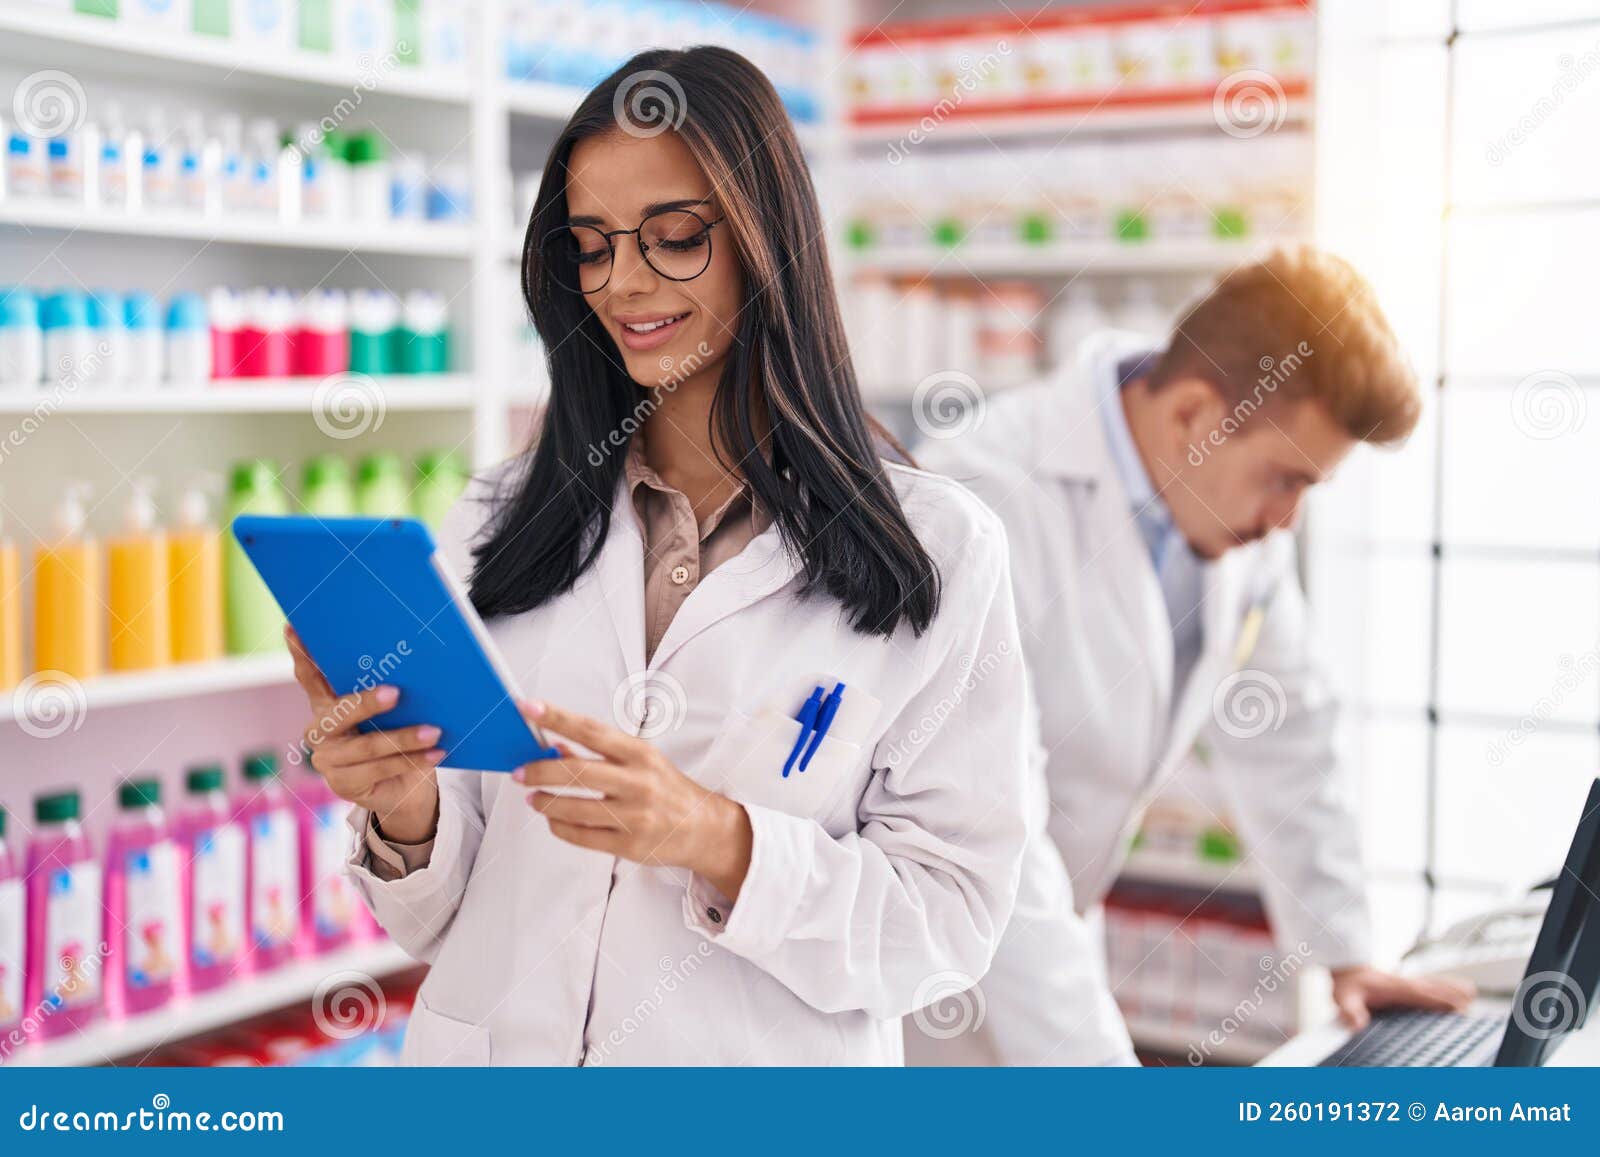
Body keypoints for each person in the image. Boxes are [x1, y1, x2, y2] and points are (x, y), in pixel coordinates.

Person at [288, 46, 1032, 1066]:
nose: (623, 282)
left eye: (674, 238)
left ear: (768, 238)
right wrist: (403, 805)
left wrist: (716, 837)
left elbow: (948, 922)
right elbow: (438, 918)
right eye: (591, 247)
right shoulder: (501, 519)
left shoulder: (939, 549)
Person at [910, 248, 1475, 1065]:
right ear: (1191, 415)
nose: (1287, 520)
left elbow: (1289, 734)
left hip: (1050, 950)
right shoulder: (982, 498)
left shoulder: (1229, 511)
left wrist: (1347, 952)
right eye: (1284, 479)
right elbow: (993, 833)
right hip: (934, 986)